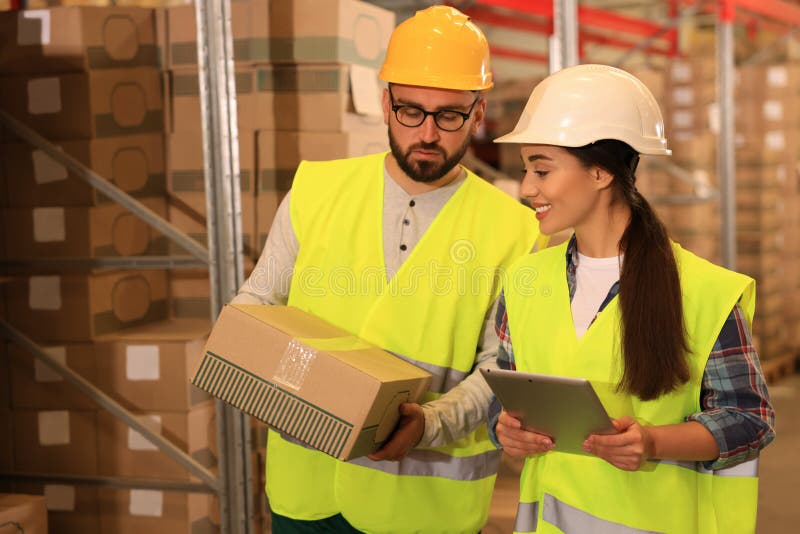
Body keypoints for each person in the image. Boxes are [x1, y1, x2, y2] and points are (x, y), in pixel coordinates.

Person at [232, 6, 544, 533]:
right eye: (410, 111)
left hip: (424, 508)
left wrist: (430, 423)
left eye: (448, 115)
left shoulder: (515, 230)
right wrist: (265, 382)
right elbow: (256, 305)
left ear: (478, 112)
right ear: (384, 103)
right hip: (308, 494)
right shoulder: (316, 190)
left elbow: (502, 368)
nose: (427, 133)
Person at [489, 64, 775, 534]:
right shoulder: (524, 279)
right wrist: (505, 428)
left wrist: (655, 442)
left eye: (542, 169)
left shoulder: (703, 291)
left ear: (600, 172)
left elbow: (750, 420)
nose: (527, 189)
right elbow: (506, 398)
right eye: (526, 170)